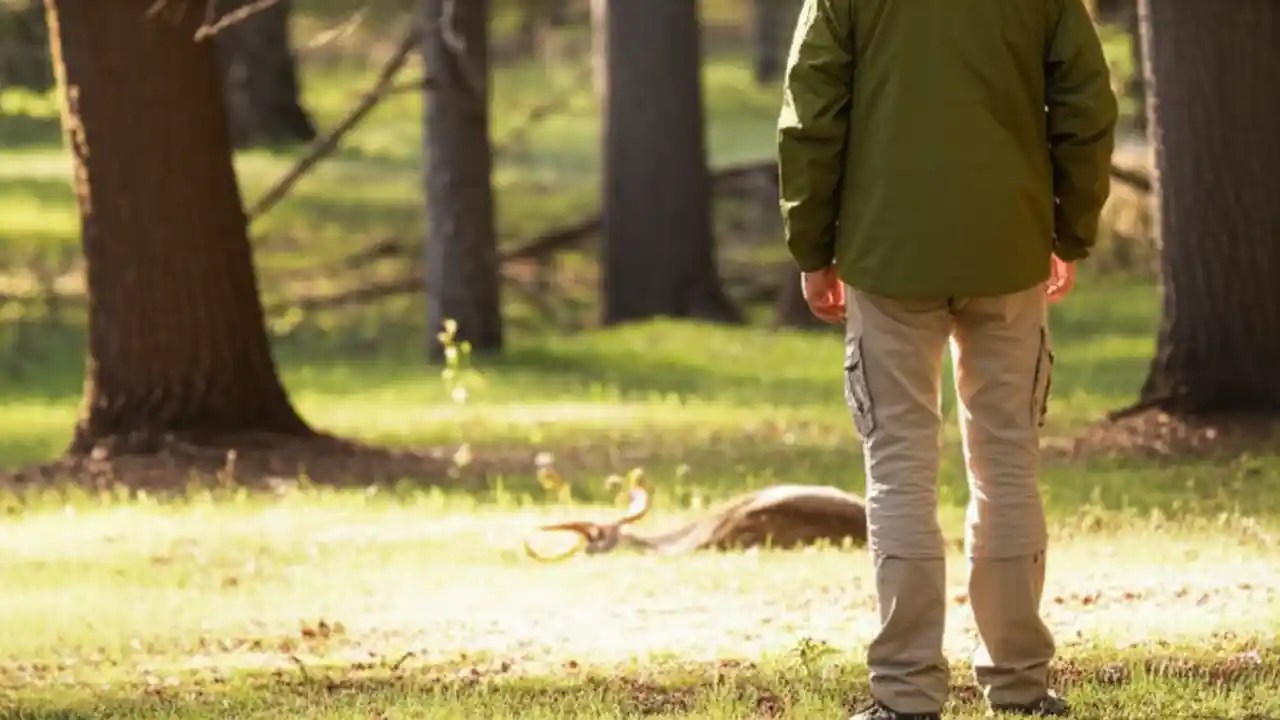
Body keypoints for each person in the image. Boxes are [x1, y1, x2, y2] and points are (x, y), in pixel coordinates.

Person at [777, 1, 1117, 718]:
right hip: (1008, 246)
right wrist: (1068, 228)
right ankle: (1021, 687)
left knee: (899, 468)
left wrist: (813, 246)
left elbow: (811, 112)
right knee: (1007, 463)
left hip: (886, 250)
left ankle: (904, 695)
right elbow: (1086, 106)